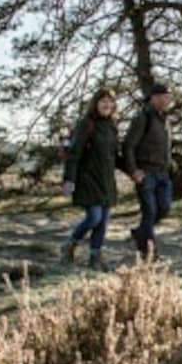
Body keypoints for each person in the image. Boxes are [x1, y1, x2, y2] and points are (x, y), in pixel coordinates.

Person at [60, 88, 120, 271]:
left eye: (110, 101)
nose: (107, 104)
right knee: (94, 218)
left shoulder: (112, 126)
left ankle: (95, 257)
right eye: (103, 101)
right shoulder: (86, 124)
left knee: (103, 221)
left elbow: (114, 155)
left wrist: (134, 170)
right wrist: (69, 179)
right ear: (95, 103)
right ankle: (70, 244)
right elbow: (74, 152)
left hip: (106, 180)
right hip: (88, 178)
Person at [124, 81, 173, 259]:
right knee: (149, 211)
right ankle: (148, 253)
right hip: (146, 172)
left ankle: (140, 232)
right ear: (153, 98)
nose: (166, 100)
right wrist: (133, 170)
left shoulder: (166, 119)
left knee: (165, 208)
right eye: (163, 97)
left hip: (163, 173)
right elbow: (128, 145)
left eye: (168, 97)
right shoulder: (142, 117)